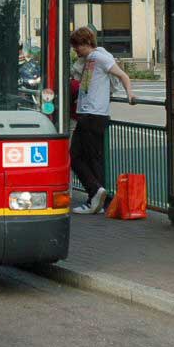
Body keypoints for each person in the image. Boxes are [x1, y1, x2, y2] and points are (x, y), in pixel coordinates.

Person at [68, 26, 135, 214]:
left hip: (93, 115)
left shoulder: (100, 57)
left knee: (75, 156)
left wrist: (130, 94)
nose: (76, 50)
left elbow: (122, 75)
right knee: (91, 158)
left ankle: (95, 193)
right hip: (89, 114)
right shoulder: (89, 59)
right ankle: (97, 199)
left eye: (77, 46)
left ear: (87, 43)